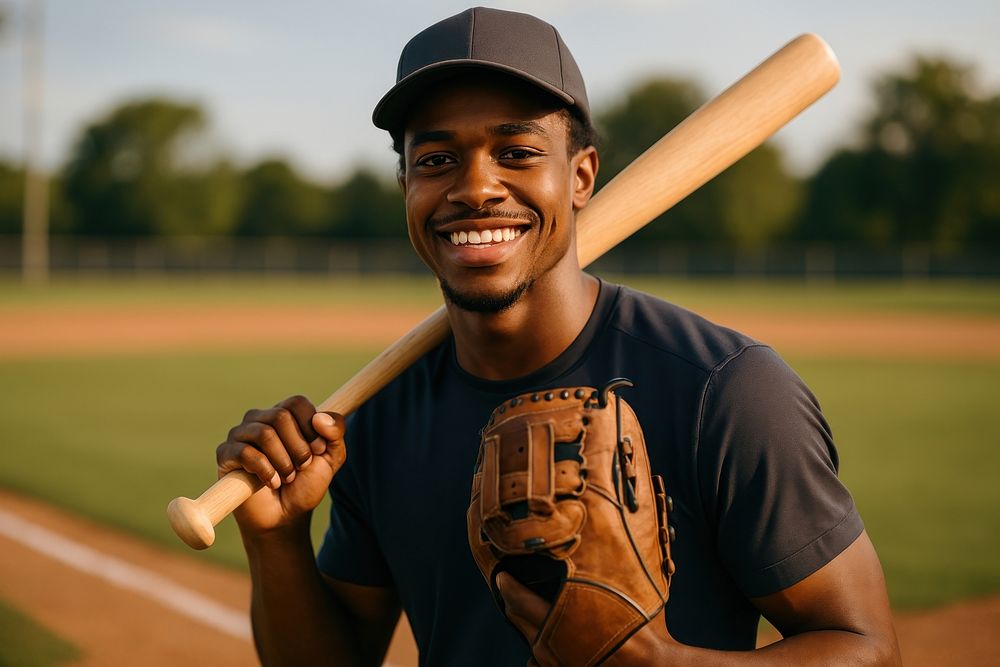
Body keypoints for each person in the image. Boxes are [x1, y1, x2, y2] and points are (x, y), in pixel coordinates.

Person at [216, 7, 901, 666]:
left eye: (515, 151)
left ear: (580, 176)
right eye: (436, 160)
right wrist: (276, 541)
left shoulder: (723, 390)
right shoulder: (380, 418)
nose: (475, 187)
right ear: (405, 187)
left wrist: (659, 665)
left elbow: (867, 648)